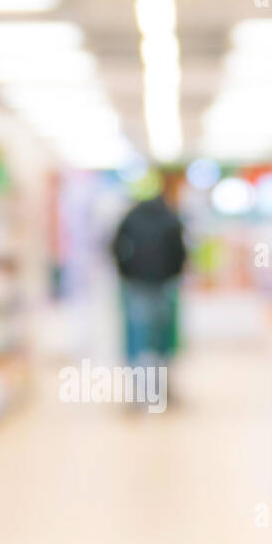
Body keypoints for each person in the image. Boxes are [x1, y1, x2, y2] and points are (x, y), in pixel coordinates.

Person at [111, 169, 187, 404]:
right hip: (164, 286)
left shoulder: (131, 218)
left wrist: (127, 272)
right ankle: (161, 390)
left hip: (136, 286)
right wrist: (173, 274)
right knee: (163, 338)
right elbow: (181, 253)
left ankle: (138, 393)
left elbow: (115, 247)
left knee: (138, 338)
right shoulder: (170, 217)